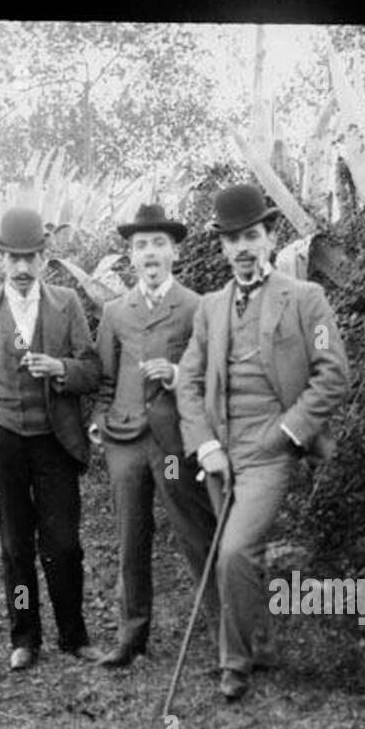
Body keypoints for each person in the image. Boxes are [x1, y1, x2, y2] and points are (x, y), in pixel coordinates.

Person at [176, 183, 350, 701]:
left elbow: (333, 374)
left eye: (252, 235)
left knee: (232, 551)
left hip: (270, 449)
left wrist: (287, 432)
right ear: (223, 248)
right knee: (240, 556)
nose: (243, 248)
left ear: (271, 237)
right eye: (232, 240)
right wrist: (204, 444)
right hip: (218, 450)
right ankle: (262, 644)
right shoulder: (209, 308)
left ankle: (235, 663)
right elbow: (187, 381)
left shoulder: (306, 299)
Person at [0, 206, 101, 671]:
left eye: (32, 257)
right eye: (14, 258)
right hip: (2, 440)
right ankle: (25, 636)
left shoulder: (67, 304)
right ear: (0, 257)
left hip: (55, 442)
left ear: (46, 256)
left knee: (64, 543)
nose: (23, 268)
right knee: (14, 544)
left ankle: (74, 635)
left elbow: (92, 371)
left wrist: (62, 370)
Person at [90, 203, 218, 667]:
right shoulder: (114, 311)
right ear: (130, 255)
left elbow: (207, 374)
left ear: (174, 252)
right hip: (123, 439)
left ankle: (226, 636)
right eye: (141, 245)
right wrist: (99, 419)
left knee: (194, 533)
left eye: (159, 244)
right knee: (131, 537)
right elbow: (104, 376)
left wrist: (177, 372)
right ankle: (131, 637)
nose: (150, 253)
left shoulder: (197, 306)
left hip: (171, 440)